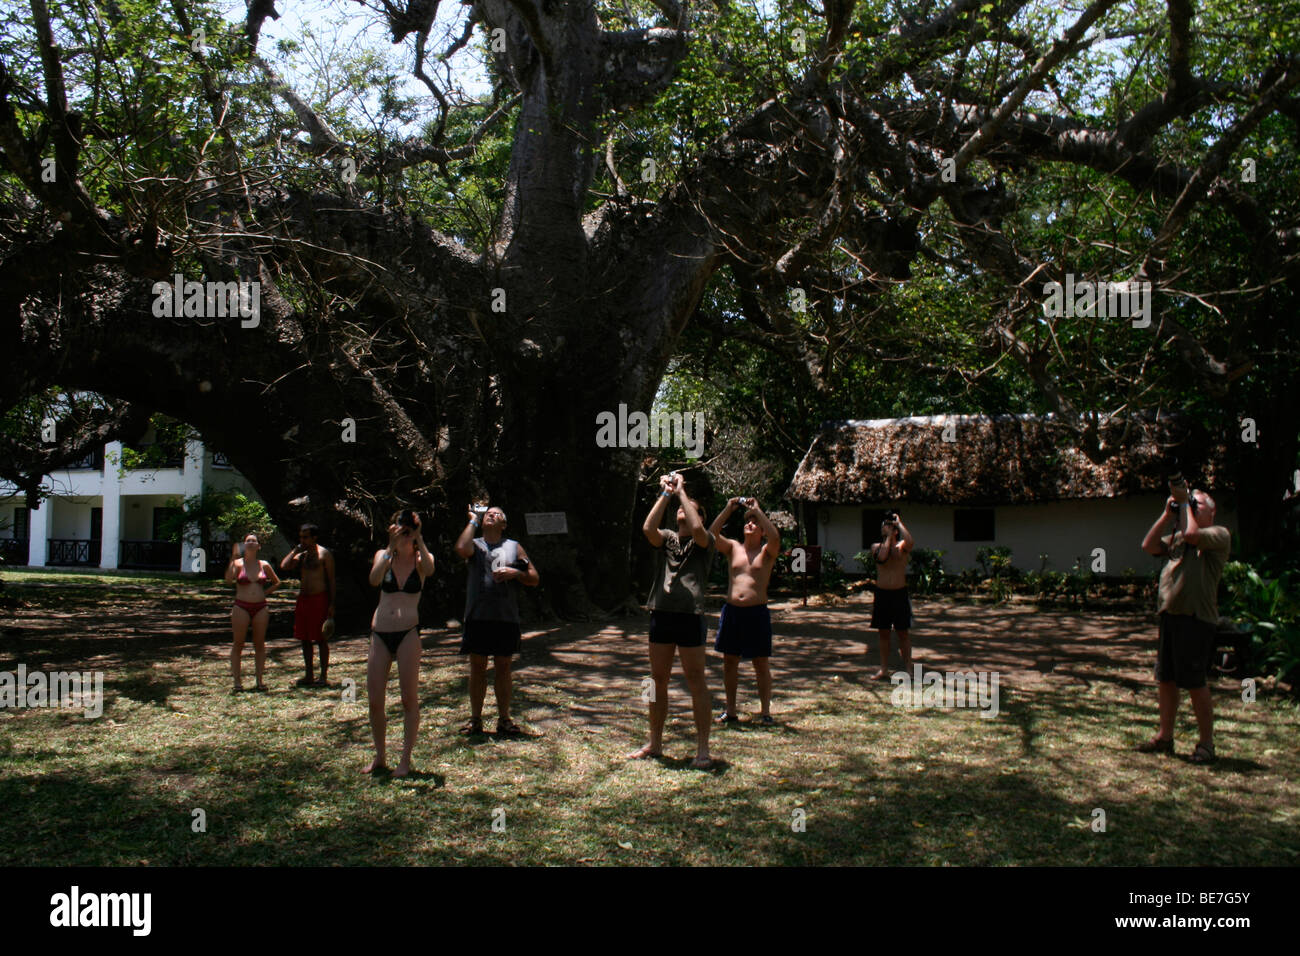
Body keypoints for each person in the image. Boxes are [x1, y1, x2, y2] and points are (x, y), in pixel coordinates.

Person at [1139, 473, 1231, 764]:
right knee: (1165, 679)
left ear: (1212, 512)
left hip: (1197, 618)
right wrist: (1169, 514)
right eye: (1191, 503)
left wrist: (1184, 504)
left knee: (1194, 681)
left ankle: (1206, 745)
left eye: (1198, 504)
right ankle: (1165, 736)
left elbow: (1193, 535)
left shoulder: (1219, 535)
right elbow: (1149, 546)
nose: (1192, 506)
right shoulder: (1177, 537)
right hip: (1171, 615)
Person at [628, 473, 715, 768]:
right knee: (656, 680)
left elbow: (699, 531)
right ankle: (654, 742)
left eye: (692, 507)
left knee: (696, 680)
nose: (684, 508)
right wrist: (667, 493)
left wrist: (683, 494)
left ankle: (703, 749)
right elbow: (647, 527)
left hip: (690, 617)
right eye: (683, 506)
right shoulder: (667, 537)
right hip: (661, 614)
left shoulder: (706, 541)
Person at [454, 504, 540, 736]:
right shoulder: (476, 544)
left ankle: (504, 719)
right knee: (477, 667)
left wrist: (517, 573)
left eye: (497, 514)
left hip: (505, 617)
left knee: (503, 667)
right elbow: (461, 548)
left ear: (504, 524)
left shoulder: (513, 546)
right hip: (478, 615)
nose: (491, 515)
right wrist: (473, 520)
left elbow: (534, 577)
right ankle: (476, 719)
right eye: (488, 513)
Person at [365, 509, 435, 777]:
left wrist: (419, 539)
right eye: (401, 525)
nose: (405, 529)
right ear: (391, 528)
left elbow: (429, 569)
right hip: (380, 633)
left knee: (409, 699)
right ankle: (380, 756)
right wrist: (391, 547)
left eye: (410, 525)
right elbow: (373, 579)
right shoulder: (383, 556)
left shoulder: (421, 558)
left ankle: (404, 760)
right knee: (375, 701)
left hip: (408, 633)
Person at [709, 496, 781, 725]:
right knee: (730, 661)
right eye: (746, 521)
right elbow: (711, 534)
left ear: (761, 529)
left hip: (757, 612)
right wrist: (728, 508)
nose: (748, 524)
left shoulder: (767, 552)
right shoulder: (733, 548)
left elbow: (776, 536)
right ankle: (730, 710)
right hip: (732, 612)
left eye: (753, 522)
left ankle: (765, 712)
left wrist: (757, 510)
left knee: (760, 662)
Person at [223, 533, 281, 692]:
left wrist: (265, 593)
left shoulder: (264, 564)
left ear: (258, 546)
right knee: (238, 643)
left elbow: (277, 582)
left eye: (253, 541)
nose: (250, 543)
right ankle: (237, 682)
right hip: (241, 606)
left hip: (261, 607)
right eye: (247, 541)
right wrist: (232, 558)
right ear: (243, 544)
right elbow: (228, 580)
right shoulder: (238, 563)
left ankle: (260, 681)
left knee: (260, 644)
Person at [280, 524, 336, 686]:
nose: (302, 540)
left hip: (319, 599)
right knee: (304, 639)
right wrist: (295, 550)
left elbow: (331, 580)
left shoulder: (324, 554)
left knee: (321, 638)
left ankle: (323, 676)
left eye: (305, 537)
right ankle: (309, 674)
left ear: (314, 537)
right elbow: (284, 566)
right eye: (301, 537)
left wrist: (332, 604)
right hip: (303, 600)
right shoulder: (302, 555)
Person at [870, 510, 914, 680]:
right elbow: (882, 557)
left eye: (890, 527)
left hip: (899, 594)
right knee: (883, 633)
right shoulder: (876, 547)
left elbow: (910, 541)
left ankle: (909, 669)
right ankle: (884, 669)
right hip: (882, 595)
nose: (887, 528)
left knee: (903, 633)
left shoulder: (901, 548)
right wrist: (888, 536)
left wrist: (899, 524)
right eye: (885, 526)